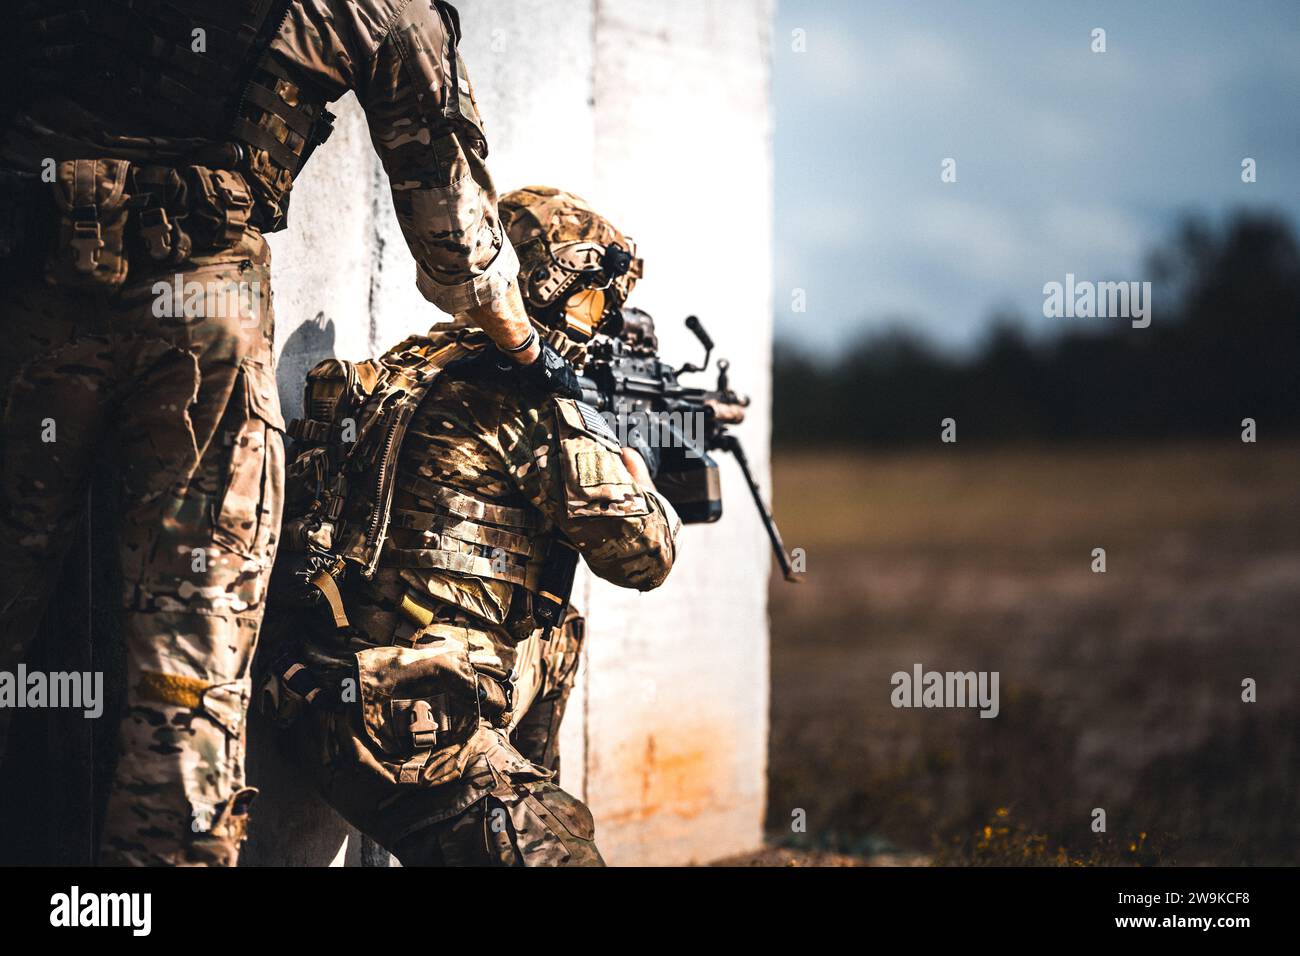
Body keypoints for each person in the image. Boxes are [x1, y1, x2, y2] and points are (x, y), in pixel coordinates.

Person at [0, 1, 555, 866]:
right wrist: (521, 343)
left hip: (20, 277)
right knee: (190, 657)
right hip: (200, 308)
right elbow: (453, 231)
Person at [261, 186, 679, 865]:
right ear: (558, 283)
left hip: (308, 690)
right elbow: (644, 558)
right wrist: (634, 468)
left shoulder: (410, 364)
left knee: (556, 630)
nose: (600, 325)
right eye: (596, 301)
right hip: (408, 719)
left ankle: (517, 791)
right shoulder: (535, 400)